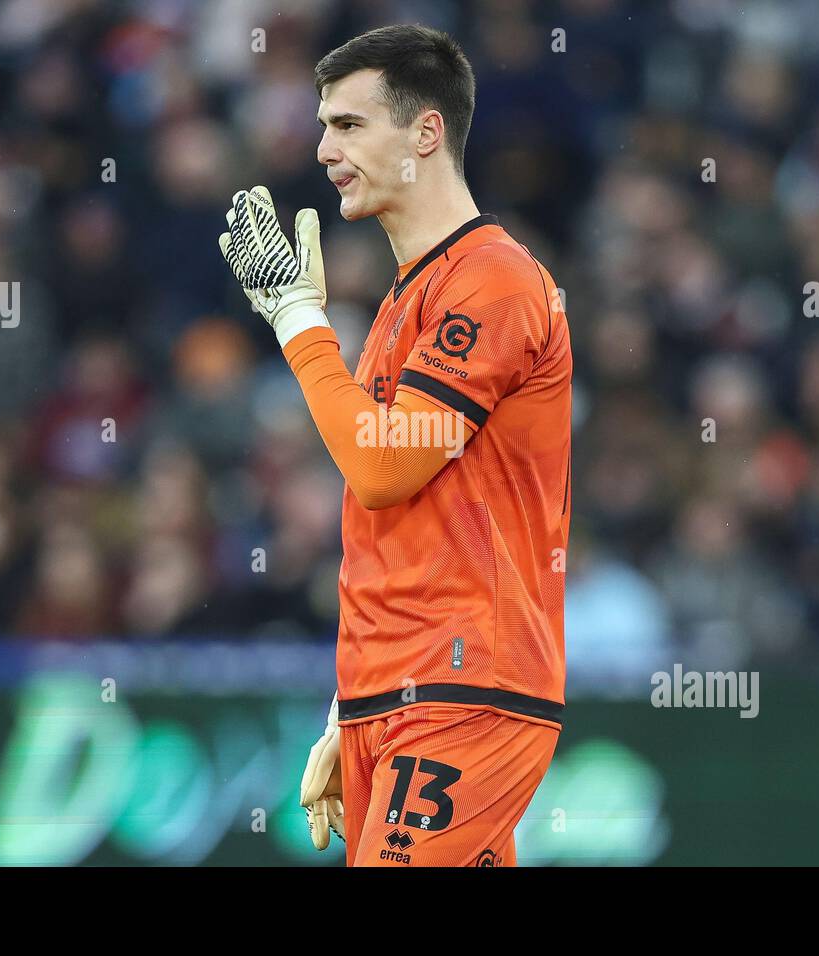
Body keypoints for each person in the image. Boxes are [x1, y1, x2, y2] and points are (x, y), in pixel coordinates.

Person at [218, 24, 572, 867]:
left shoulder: (494, 280)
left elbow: (382, 469)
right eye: (322, 126)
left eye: (348, 124)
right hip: (398, 689)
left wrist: (297, 320)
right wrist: (353, 705)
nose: (324, 148)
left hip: (464, 688)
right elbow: (403, 524)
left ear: (425, 132)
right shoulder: (405, 303)